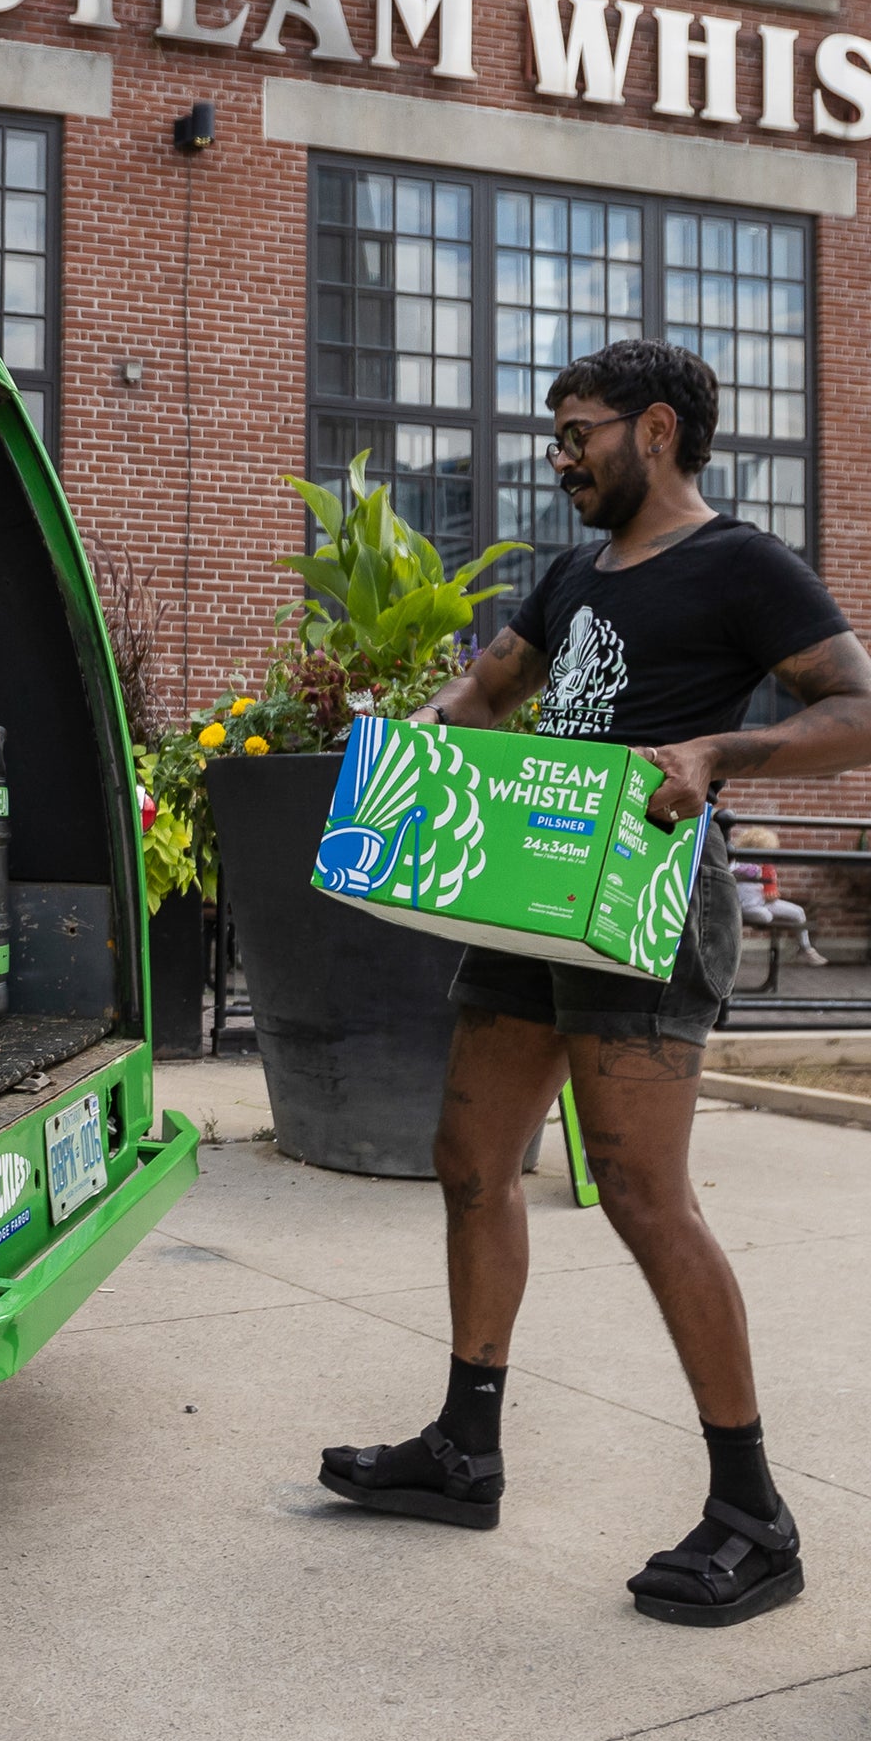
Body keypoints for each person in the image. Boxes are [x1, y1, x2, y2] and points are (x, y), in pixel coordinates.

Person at [319, 337, 871, 1627]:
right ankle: (464, 1450)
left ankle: (752, 1512)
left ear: (657, 431)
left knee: (638, 1193)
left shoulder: (740, 565)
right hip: (527, 888)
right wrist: (403, 738)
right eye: (556, 434)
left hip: (645, 899)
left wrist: (717, 750)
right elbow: (488, 687)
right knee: (469, 1159)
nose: (558, 455)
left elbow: (854, 709)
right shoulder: (571, 573)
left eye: (577, 432)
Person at [730, 824, 828, 966]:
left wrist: (772, 892)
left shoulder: (767, 866)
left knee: (798, 912)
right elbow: (730, 869)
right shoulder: (739, 862)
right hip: (746, 906)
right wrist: (748, 870)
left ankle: (806, 949)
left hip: (764, 902)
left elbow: (770, 887)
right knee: (765, 916)